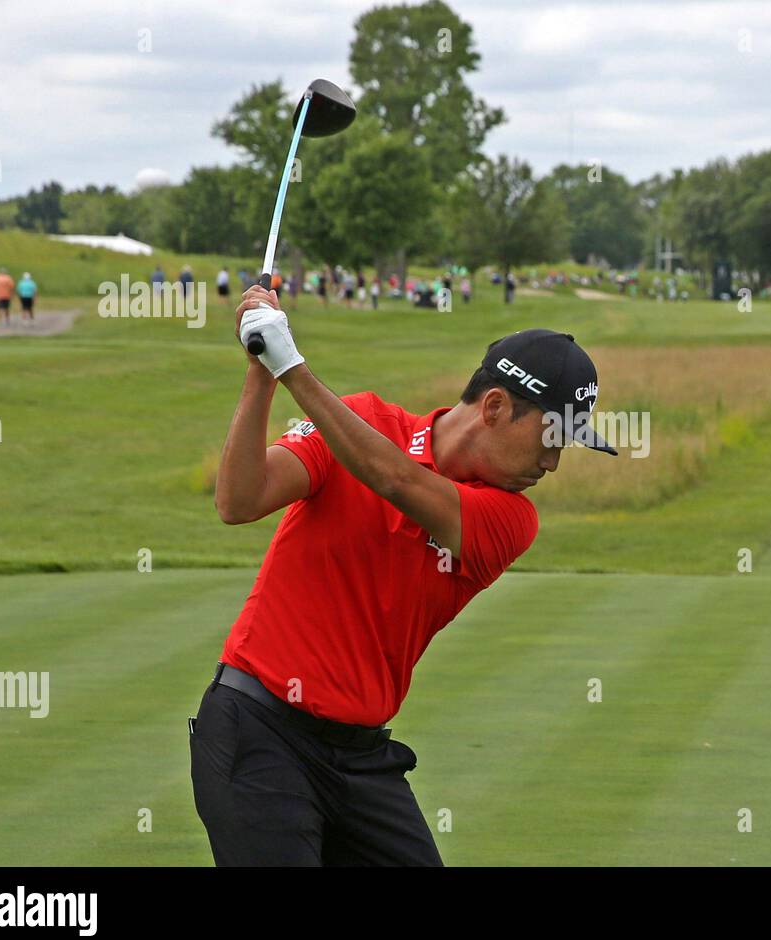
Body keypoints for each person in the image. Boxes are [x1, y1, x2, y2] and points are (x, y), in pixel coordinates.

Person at [191, 288, 617, 867]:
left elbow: (398, 483)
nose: (554, 462)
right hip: (258, 731)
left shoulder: (512, 518)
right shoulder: (364, 420)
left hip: (362, 760)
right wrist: (262, 370)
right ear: (494, 408)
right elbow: (239, 500)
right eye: (551, 436)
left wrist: (293, 368)